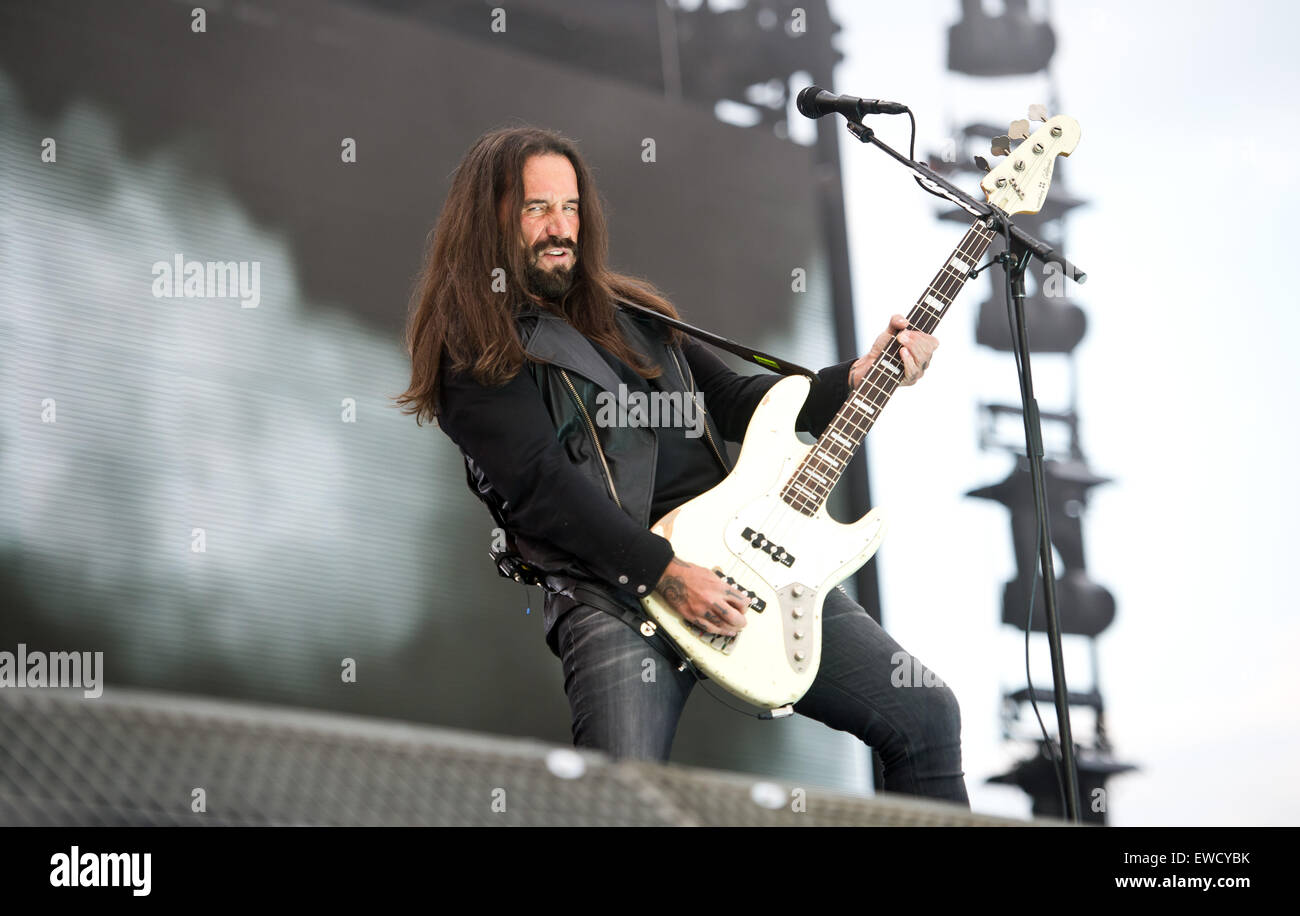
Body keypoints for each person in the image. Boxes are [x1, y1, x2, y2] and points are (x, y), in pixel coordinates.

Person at [397, 126, 969, 806]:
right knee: (625, 799)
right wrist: (666, 575)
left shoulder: (631, 315)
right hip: (615, 593)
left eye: (571, 207)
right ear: (488, 217)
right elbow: (542, 489)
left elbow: (739, 404)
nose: (561, 227)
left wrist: (856, 376)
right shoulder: (474, 349)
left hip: (750, 565)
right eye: (536, 208)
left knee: (928, 714)